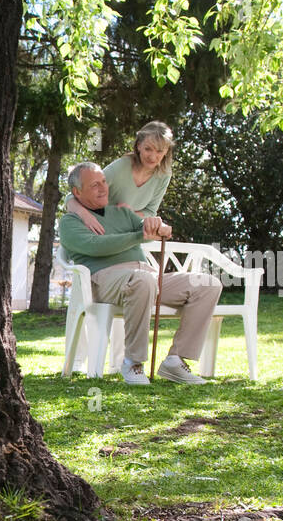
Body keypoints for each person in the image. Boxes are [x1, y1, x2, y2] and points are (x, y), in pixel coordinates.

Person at [58, 161, 221, 386]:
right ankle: (133, 363)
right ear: (77, 192)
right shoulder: (70, 222)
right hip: (105, 280)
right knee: (142, 281)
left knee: (208, 284)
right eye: (95, 184)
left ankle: (175, 360)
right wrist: (139, 237)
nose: (103, 188)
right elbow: (95, 245)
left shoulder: (122, 213)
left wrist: (158, 226)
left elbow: (146, 226)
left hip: (146, 276)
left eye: (104, 182)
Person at [66, 121, 175, 236]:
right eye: (148, 149)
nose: (153, 157)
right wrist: (86, 216)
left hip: (120, 238)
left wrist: (129, 214)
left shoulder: (164, 175)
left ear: (166, 151)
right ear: (139, 146)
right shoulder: (121, 167)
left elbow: (150, 212)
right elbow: (72, 197)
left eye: (159, 151)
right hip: (91, 234)